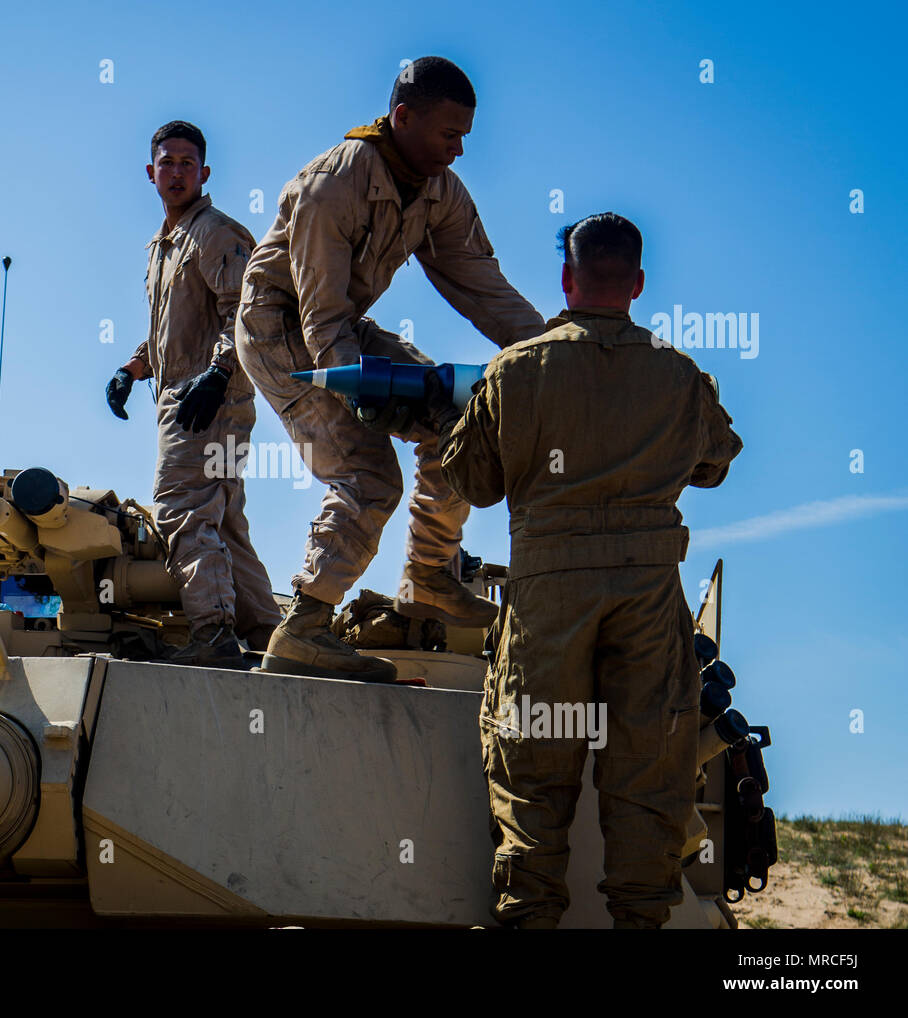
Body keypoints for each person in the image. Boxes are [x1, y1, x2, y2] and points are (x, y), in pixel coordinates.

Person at [423, 212, 744, 928]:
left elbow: (472, 480)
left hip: (548, 601)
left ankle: (527, 911)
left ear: (566, 280)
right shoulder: (680, 375)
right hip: (648, 598)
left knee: (531, 775)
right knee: (648, 777)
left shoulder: (514, 371)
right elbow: (716, 463)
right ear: (635, 284)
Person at [235, 55, 544, 683]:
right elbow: (320, 321)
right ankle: (305, 628)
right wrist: (361, 395)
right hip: (282, 328)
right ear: (402, 117)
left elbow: (482, 286)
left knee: (463, 415)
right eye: (448, 135)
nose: (458, 151)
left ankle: (428, 576)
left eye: (465, 137)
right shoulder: (334, 185)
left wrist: (550, 349)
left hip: (341, 324)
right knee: (369, 476)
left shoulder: (439, 191)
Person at [105, 121, 281, 667]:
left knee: (181, 508)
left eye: (187, 163)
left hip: (207, 400)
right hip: (188, 391)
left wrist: (218, 373)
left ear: (204, 173)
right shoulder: (163, 244)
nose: (176, 171)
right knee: (223, 521)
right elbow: (173, 327)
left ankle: (213, 633)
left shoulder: (215, 233)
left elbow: (245, 313)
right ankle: (271, 637)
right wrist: (133, 367)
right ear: (150, 172)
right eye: (167, 162)